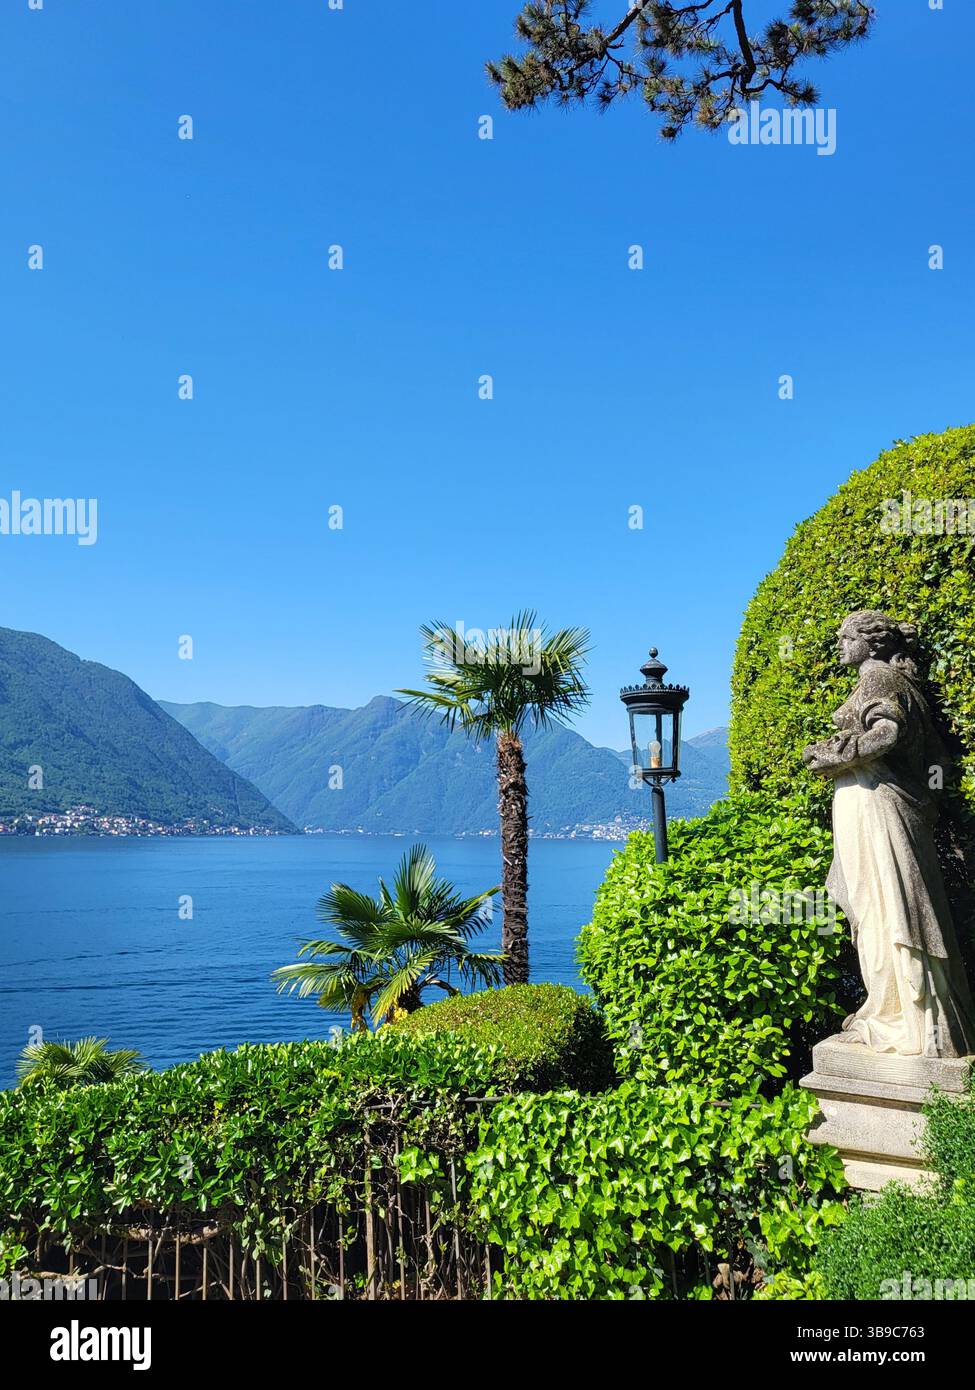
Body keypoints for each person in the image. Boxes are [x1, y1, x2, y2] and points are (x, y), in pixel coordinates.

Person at [803, 610, 975, 1057]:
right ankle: (899, 1008)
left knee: (883, 904)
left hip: (878, 804)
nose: (839, 644)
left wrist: (836, 756)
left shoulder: (879, 678)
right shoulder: (882, 679)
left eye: (845, 636)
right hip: (879, 804)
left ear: (873, 643)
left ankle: (900, 1016)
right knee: (879, 905)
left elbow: (886, 733)